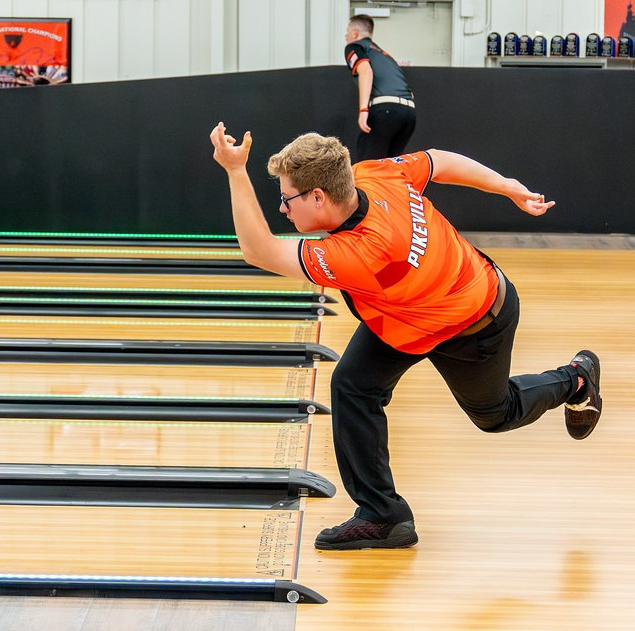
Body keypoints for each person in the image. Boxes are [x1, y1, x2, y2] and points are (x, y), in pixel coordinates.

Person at [208, 123, 602, 550]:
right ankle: (383, 517)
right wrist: (506, 186)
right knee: (353, 385)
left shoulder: (361, 253)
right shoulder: (372, 176)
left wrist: (234, 171)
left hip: (474, 320)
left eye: (286, 199)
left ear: (319, 196)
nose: (283, 209)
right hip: (412, 314)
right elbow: (441, 161)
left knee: (496, 414)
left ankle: (576, 378)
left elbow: (258, 250)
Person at [344, 14, 417, 163]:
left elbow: (365, 71)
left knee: (367, 167)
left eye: (347, 32)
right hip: (409, 114)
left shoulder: (354, 47)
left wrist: (363, 110)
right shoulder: (385, 55)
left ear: (355, 33)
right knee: (390, 167)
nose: (345, 36)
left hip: (386, 111)